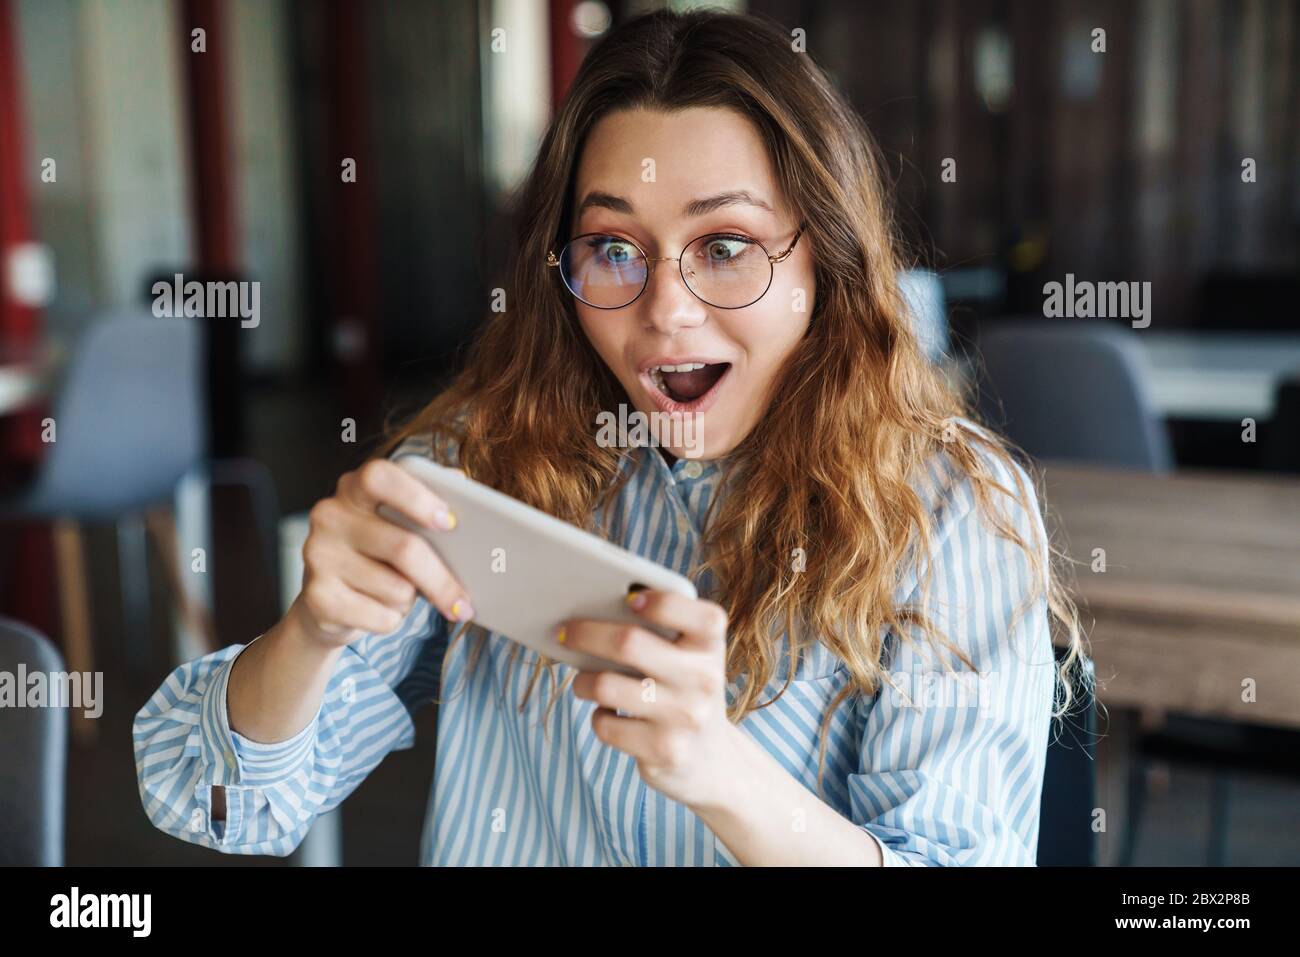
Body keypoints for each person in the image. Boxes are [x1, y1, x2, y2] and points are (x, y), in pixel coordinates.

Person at [134, 8, 1085, 866]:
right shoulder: (482, 460)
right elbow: (220, 802)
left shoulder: (954, 505)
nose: (666, 310)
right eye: (614, 250)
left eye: (724, 248)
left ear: (825, 261)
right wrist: (310, 632)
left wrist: (720, 771)